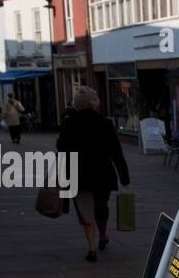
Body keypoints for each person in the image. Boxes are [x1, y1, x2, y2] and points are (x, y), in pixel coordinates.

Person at [56, 87, 130, 262]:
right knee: (101, 206)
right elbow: (116, 151)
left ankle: (91, 248)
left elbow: (61, 148)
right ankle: (103, 236)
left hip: (78, 174)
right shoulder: (105, 123)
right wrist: (124, 177)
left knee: (85, 211)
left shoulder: (70, 123)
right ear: (94, 102)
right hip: (102, 173)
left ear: (76, 103)